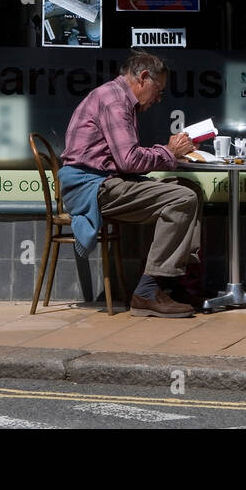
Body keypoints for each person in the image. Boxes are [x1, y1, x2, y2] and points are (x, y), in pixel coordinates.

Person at [57, 50, 202, 318]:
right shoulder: (114, 100)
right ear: (144, 77)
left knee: (189, 187)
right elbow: (128, 160)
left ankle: (181, 281)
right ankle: (149, 290)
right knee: (182, 198)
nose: (158, 99)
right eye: (158, 90)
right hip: (93, 187)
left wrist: (169, 156)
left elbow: (124, 161)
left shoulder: (118, 98)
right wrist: (170, 152)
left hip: (106, 180)